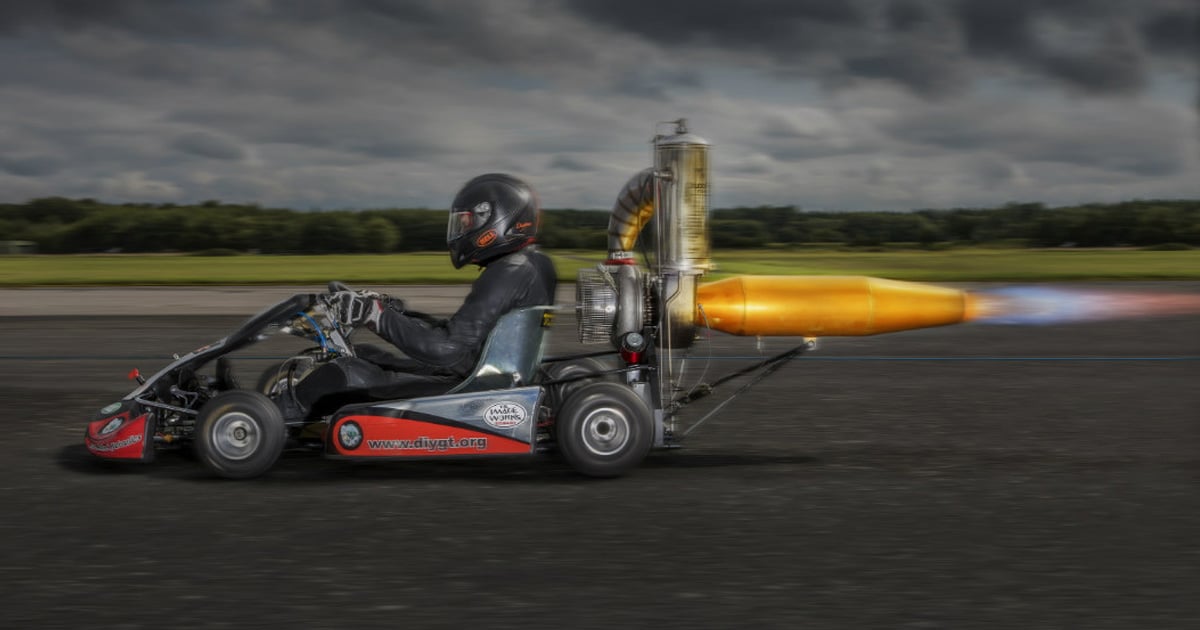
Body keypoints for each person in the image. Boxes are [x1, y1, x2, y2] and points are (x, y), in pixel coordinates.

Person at [278, 173, 558, 420]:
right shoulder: (528, 264)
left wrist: (375, 314)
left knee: (347, 372)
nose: (461, 231)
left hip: (475, 386)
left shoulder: (508, 270)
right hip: (486, 373)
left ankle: (268, 418)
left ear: (495, 218)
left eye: (467, 222)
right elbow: (460, 337)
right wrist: (396, 313)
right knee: (364, 353)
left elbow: (445, 350)